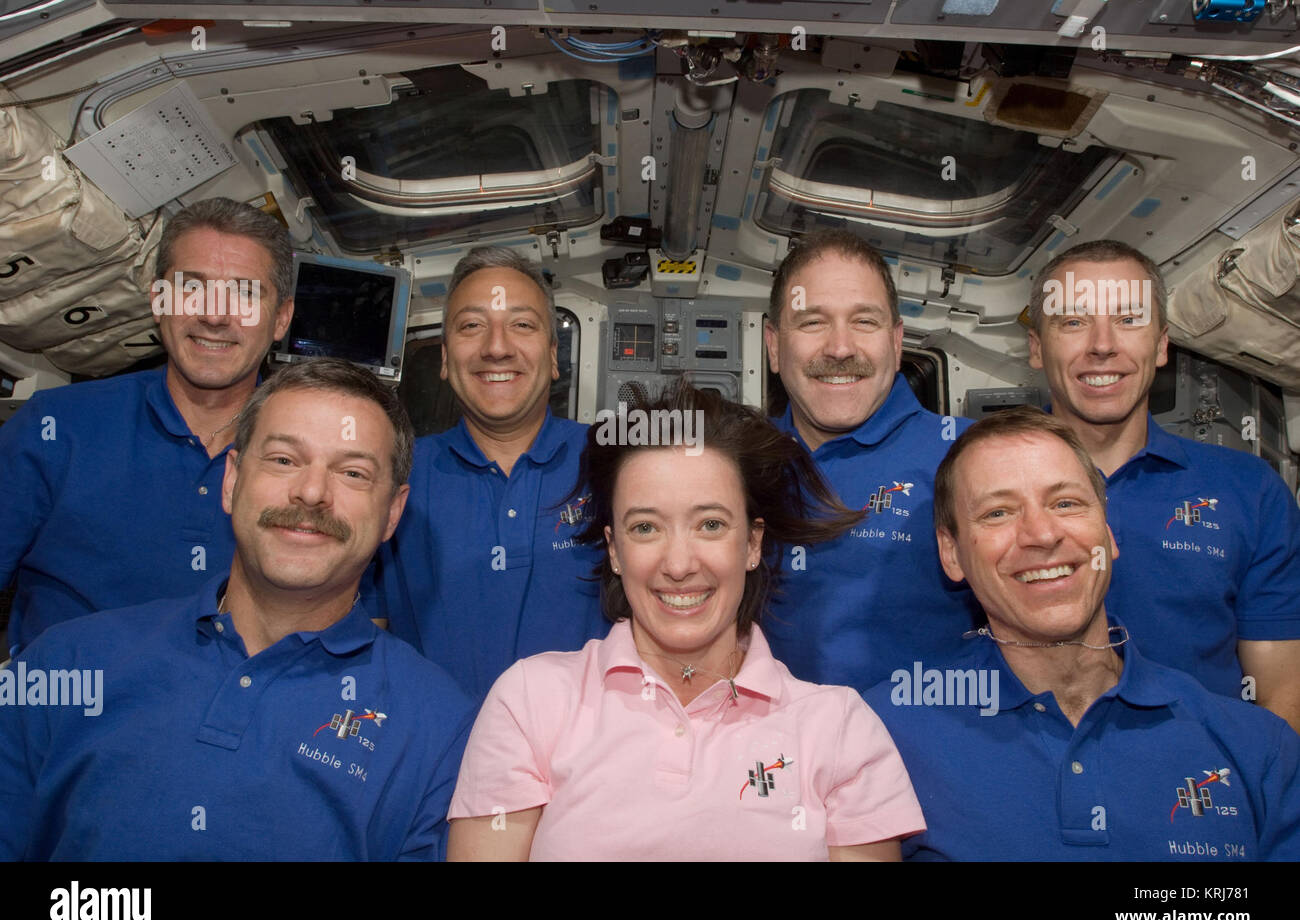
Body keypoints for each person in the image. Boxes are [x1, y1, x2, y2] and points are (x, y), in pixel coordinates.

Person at [0, 359, 474, 860]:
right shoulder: (65, 663)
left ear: (392, 513)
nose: (311, 493)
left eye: (352, 472)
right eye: (284, 460)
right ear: (231, 482)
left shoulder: (441, 729)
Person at [446, 384, 925, 861]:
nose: (678, 564)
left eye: (710, 524)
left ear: (753, 544)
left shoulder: (840, 729)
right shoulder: (531, 702)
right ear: (614, 550)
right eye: (646, 527)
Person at [865, 407, 1300, 860]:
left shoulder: (1258, 748)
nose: (1041, 533)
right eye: (998, 512)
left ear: (1107, 535)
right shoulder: (881, 735)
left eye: (1066, 503)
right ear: (951, 553)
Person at [0, 197, 295, 657]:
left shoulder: (316, 462)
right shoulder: (55, 427)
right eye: (191, 289)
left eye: (244, 294)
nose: (214, 315)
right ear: (159, 301)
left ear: (281, 319)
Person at [1027, 240, 1300, 729]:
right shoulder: (977, 489)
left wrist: (1262, 799)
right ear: (1035, 348)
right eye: (1073, 321)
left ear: (1161, 345)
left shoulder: (1249, 491)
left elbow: (1282, 693)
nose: (1103, 344)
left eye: (1129, 320)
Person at [371, 246, 604, 698]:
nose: (497, 348)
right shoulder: (393, 477)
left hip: (588, 763)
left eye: (521, 324)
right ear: (443, 358)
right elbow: (366, 631)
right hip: (439, 762)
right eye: (472, 326)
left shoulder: (614, 464)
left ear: (554, 356)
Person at [761, 228, 980, 691]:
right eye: (812, 322)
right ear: (774, 346)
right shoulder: (737, 464)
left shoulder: (974, 458)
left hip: (920, 757)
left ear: (897, 343)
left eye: (864, 322)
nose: (840, 349)